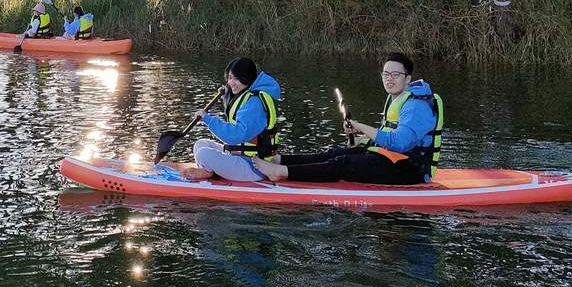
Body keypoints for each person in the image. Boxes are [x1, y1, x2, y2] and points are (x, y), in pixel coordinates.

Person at [250, 52, 443, 185]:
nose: (389, 79)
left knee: (343, 164)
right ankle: (279, 160)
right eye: (385, 74)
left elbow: (400, 142)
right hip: (393, 159)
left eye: (395, 74)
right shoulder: (399, 97)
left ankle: (281, 173)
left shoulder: (416, 105)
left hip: (410, 170)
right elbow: (390, 135)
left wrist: (360, 126)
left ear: (408, 78)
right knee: (333, 153)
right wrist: (362, 139)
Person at [181, 57, 282, 183]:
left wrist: (209, 120)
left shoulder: (255, 102)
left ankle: (208, 171)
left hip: (254, 167)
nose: (232, 82)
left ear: (248, 78)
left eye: (237, 78)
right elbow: (236, 113)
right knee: (201, 144)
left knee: (203, 154)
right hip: (240, 157)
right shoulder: (247, 94)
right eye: (229, 78)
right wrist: (227, 95)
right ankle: (209, 170)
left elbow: (235, 136)